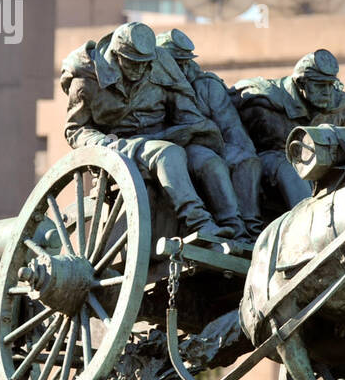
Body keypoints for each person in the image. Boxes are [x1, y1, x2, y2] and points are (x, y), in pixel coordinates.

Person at [60, 21, 236, 239]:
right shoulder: (87, 78)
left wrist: (192, 131)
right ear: (117, 56)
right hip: (123, 148)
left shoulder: (161, 64)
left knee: (209, 160)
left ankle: (235, 229)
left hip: (170, 139)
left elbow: (187, 113)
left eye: (145, 63)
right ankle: (200, 223)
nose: (141, 69)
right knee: (168, 154)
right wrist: (104, 144)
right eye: (134, 63)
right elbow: (76, 129)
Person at [156, 28, 263, 241]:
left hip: (212, 143)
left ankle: (253, 231)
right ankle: (234, 229)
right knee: (210, 162)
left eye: (186, 62)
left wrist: (247, 156)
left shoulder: (207, 86)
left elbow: (232, 129)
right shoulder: (153, 86)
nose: (183, 69)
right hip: (177, 149)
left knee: (247, 160)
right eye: (176, 63)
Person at [231, 50, 345, 209]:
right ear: (301, 83)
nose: (327, 92)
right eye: (320, 85)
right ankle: (307, 219)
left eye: (330, 85)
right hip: (272, 161)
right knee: (291, 168)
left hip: (320, 162)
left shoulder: (341, 105)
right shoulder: (264, 98)